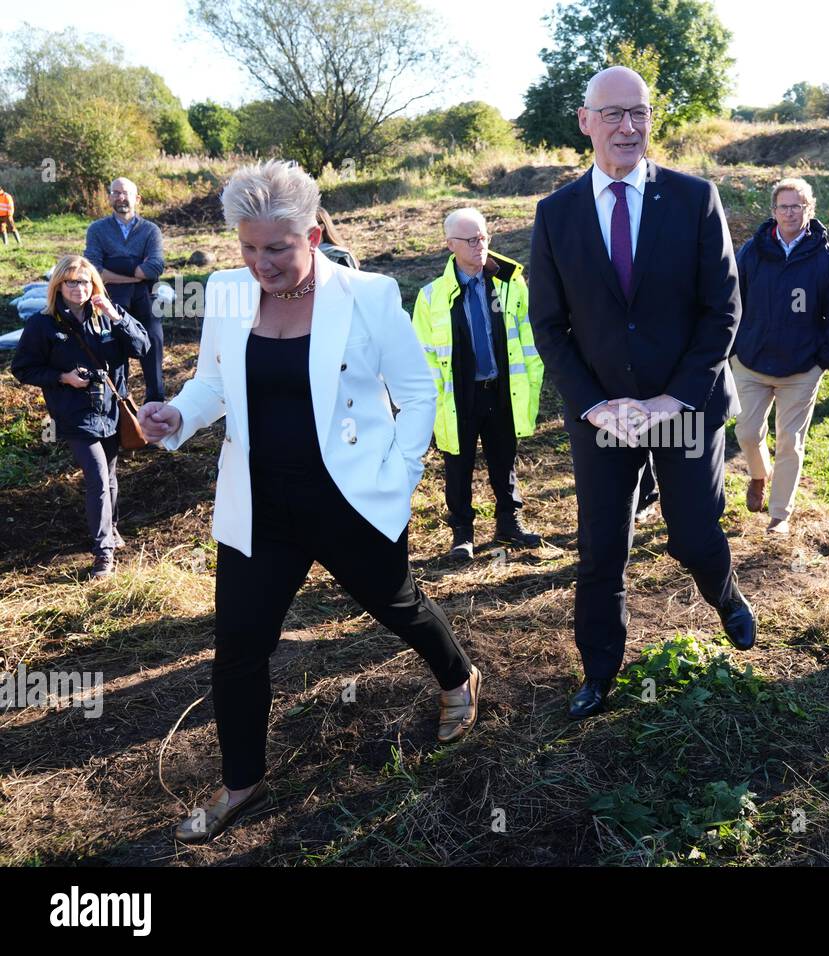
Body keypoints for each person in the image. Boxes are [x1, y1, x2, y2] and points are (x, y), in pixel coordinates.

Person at [138, 160, 481, 843]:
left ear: (314, 235)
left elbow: (418, 392)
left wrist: (399, 476)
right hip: (260, 502)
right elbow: (213, 385)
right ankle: (243, 781)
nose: (260, 263)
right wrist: (177, 415)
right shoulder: (230, 293)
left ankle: (459, 677)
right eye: (247, 246)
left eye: (277, 248)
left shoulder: (369, 295)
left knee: (397, 603)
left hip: (349, 497)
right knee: (237, 646)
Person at [529, 66, 756, 720]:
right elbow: (548, 324)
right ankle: (599, 671)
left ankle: (726, 597)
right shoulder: (555, 215)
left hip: (681, 409)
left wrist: (674, 399)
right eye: (613, 114)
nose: (628, 127)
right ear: (585, 120)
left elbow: (723, 309)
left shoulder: (693, 199)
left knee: (692, 533)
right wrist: (594, 403)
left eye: (640, 113)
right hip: (602, 414)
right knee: (602, 547)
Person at [412, 207, 545, 561]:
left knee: (505, 458)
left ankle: (509, 523)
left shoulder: (509, 285)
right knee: (458, 464)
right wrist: (432, 403)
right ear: (450, 245)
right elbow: (422, 358)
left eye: (483, 237)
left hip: (500, 389)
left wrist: (531, 384)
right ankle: (462, 534)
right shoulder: (430, 297)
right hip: (459, 396)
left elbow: (529, 338)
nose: (479, 245)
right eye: (470, 240)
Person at [11, 255, 150, 579]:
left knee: (111, 476)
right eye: (71, 282)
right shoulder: (43, 324)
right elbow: (23, 368)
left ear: (94, 285)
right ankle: (103, 554)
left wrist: (117, 316)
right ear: (59, 285)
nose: (78, 288)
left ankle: (112, 529)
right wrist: (63, 377)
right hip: (74, 414)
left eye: (84, 281)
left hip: (111, 411)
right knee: (98, 477)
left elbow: (142, 347)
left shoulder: (106, 317)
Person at [732, 177, 829, 534]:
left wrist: (825, 359)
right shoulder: (752, 251)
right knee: (747, 432)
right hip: (751, 362)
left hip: (801, 368)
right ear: (773, 211)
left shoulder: (827, 259)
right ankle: (758, 475)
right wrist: (732, 347)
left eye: (796, 206)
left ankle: (780, 514)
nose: (789, 212)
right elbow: (731, 298)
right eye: (783, 206)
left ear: (809, 210)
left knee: (790, 441)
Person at [84, 178, 166, 404]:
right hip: (111, 297)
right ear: (110, 197)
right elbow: (93, 268)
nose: (121, 197)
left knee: (154, 340)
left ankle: (156, 404)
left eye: (126, 192)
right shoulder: (97, 230)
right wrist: (136, 267)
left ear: (137, 198)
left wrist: (115, 264)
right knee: (115, 349)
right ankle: (121, 408)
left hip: (144, 294)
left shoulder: (150, 230)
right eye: (115, 192)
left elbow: (155, 267)